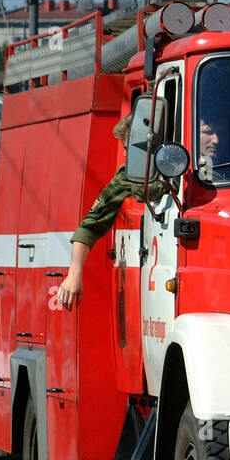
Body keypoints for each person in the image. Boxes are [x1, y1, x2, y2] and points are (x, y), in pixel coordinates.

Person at [58, 111, 173, 311]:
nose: (127, 155)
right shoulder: (129, 175)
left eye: (130, 149)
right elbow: (91, 224)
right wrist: (74, 274)